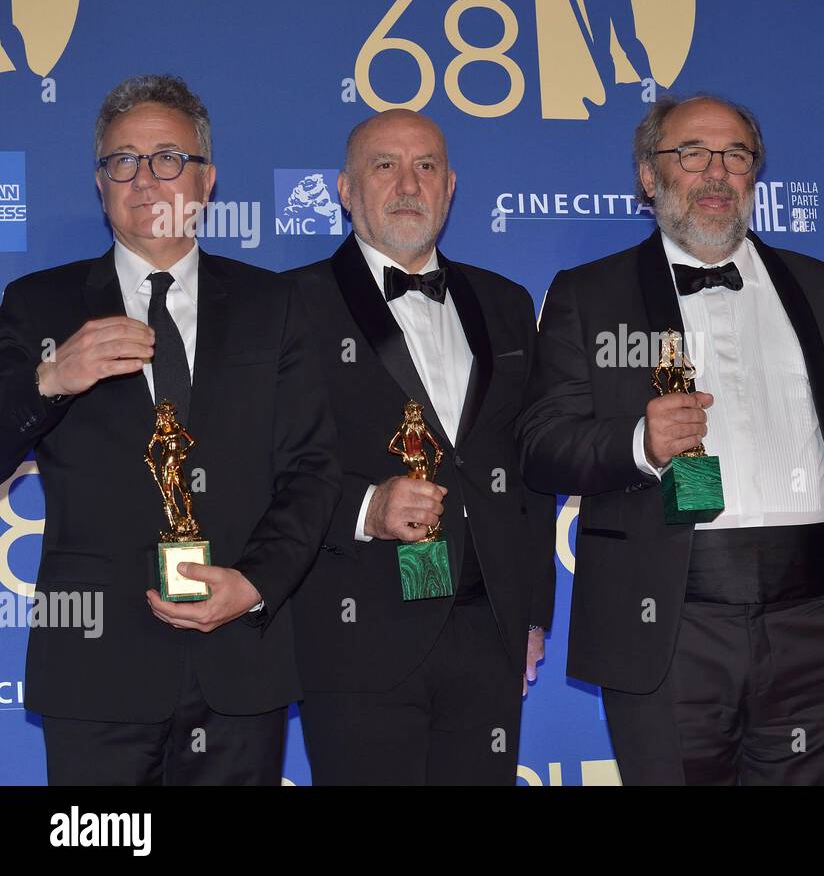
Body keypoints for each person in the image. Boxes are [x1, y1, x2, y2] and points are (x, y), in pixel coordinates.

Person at [518, 94, 824, 785]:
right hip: (669, 624)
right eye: (692, 153)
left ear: (754, 174)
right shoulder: (590, 294)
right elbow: (539, 443)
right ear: (650, 176)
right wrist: (638, 443)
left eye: (735, 155)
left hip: (823, 624)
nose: (715, 173)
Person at [0, 74, 340, 784]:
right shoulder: (39, 305)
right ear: (101, 184)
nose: (144, 178)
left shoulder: (272, 304)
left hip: (240, 662)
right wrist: (48, 381)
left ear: (207, 180)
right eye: (122, 160)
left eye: (166, 158)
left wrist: (253, 584)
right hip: (96, 667)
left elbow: (312, 467)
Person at [289, 108, 555, 785]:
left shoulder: (506, 302)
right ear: (345, 189)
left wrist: (530, 616)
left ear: (451, 185)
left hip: (487, 632)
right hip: (357, 630)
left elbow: (528, 471)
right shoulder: (289, 307)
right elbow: (267, 462)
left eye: (426, 166)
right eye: (384, 165)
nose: (408, 184)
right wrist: (364, 507)